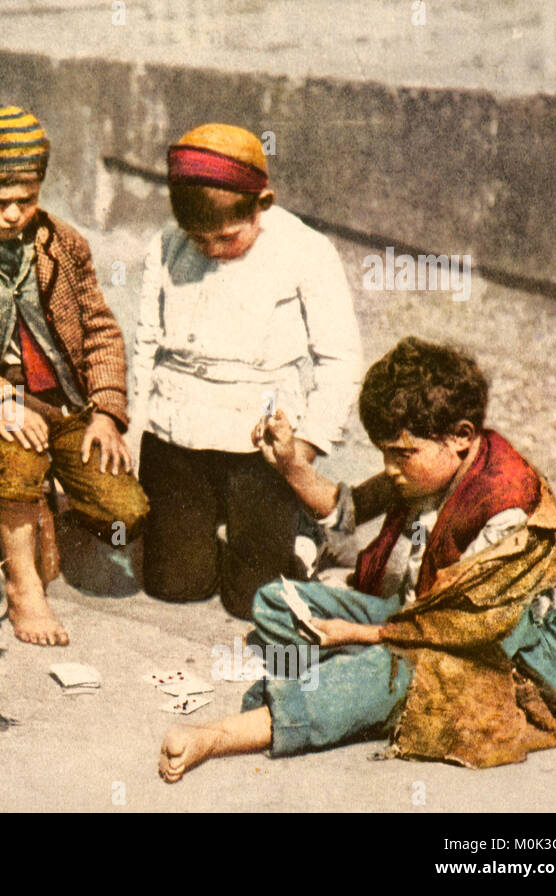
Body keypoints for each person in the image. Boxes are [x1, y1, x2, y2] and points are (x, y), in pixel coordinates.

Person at [159, 337, 556, 780]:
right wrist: (291, 464)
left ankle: (220, 735)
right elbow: (347, 508)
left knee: (384, 673)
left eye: (401, 454)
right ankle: (336, 689)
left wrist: (359, 634)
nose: (390, 467)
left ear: (462, 437)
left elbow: (474, 632)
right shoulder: (429, 464)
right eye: (385, 453)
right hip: (422, 613)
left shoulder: (508, 506)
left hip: (501, 659)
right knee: (276, 602)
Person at [0, 104, 149, 646]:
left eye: (28, 199)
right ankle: (24, 587)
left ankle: (42, 508)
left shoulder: (63, 244)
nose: (15, 213)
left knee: (126, 510)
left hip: (63, 405)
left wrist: (107, 412)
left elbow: (100, 330)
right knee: (17, 460)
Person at [130, 123, 362, 618]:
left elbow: (339, 356)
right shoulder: (166, 247)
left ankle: (300, 533)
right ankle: (211, 522)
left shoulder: (306, 250)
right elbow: (146, 343)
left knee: (254, 602)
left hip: (259, 439)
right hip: (178, 429)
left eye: (226, 236)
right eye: (199, 239)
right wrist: (135, 426)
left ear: (263, 204)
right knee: (174, 585)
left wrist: (305, 446)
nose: (212, 249)